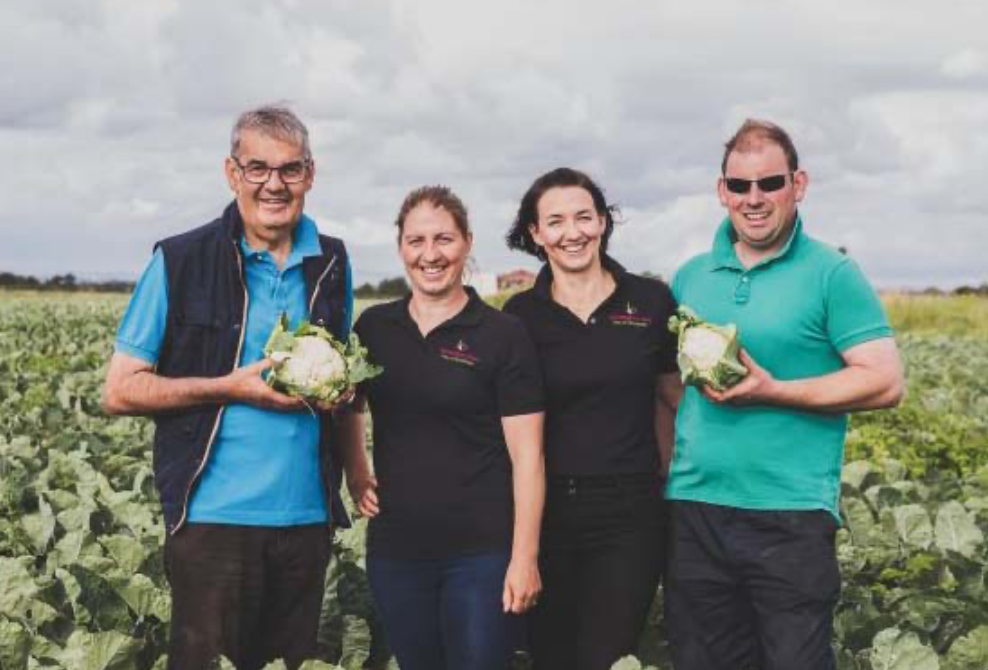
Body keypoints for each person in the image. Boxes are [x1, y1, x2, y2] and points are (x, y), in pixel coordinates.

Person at [101, 105, 354, 670]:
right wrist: (229, 388)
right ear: (231, 173)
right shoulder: (180, 260)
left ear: (310, 174)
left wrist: (348, 434)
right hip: (213, 517)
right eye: (257, 167)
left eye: (289, 170)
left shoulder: (332, 261)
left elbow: (345, 376)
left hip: (306, 518)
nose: (274, 184)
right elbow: (120, 390)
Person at [663, 119, 905, 670]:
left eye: (769, 184)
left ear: (798, 184)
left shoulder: (832, 273)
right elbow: (669, 388)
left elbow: (885, 380)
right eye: (740, 185)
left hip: (790, 515)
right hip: (696, 509)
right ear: (721, 190)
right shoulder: (690, 277)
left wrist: (774, 391)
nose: (754, 199)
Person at [339, 185, 545, 670]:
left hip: (483, 552)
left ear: (467, 243)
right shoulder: (374, 328)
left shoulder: (502, 335)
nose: (430, 255)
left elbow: (529, 457)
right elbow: (348, 406)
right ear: (401, 248)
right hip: (398, 551)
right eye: (417, 241)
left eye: (444, 239)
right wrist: (356, 470)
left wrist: (524, 558)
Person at [503, 167, 681, 670]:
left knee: (609, 655)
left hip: (631, 515)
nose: (572, 232)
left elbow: (674, 398)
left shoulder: (650, 301)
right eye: (555, 221)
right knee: (552, 655)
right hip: (548, 512)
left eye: (584, 217)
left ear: (603, 222)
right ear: (536, 234)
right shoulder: (519, 317)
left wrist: (672, 484)